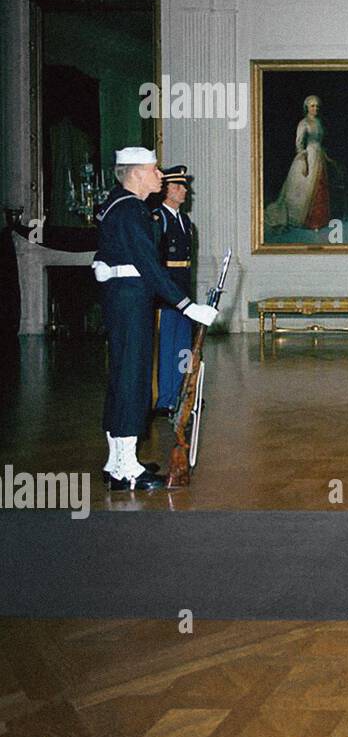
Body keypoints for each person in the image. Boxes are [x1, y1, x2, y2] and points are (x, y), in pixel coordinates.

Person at [93, 148, 220, 491]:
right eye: (154, 170)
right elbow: (149, 266)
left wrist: (101, 262)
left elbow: (110, 247)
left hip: (121, 299)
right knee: (133, 380)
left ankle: (116, 460)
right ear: (136, 174)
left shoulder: (113, 205)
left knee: (121, 376)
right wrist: (187, 306)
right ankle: (127, 469)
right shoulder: (134, 209)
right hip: (133, 300)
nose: (160, 176)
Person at [151, 164, 195, 415]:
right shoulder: (158, 218)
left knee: (183, 348)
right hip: (167, 296)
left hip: (183, 293)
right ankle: (163, 399)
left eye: (184, 187)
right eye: (178, 186)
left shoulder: (186, 221)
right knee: (165, 348)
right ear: (166, 191)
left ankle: (180, 394)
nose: (184, 191)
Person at [264, 93, 330, 233]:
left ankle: (318, 220)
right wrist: (305, 163)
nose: (315, 109)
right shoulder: (304, 123)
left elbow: (320, 142)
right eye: (312, 106)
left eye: (317, 106)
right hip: (308, 157)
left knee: (320, 188)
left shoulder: (319, 122)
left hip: (319, 157)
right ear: (307, 107)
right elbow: (299, 145)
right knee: (305, 190)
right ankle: (304, 220)